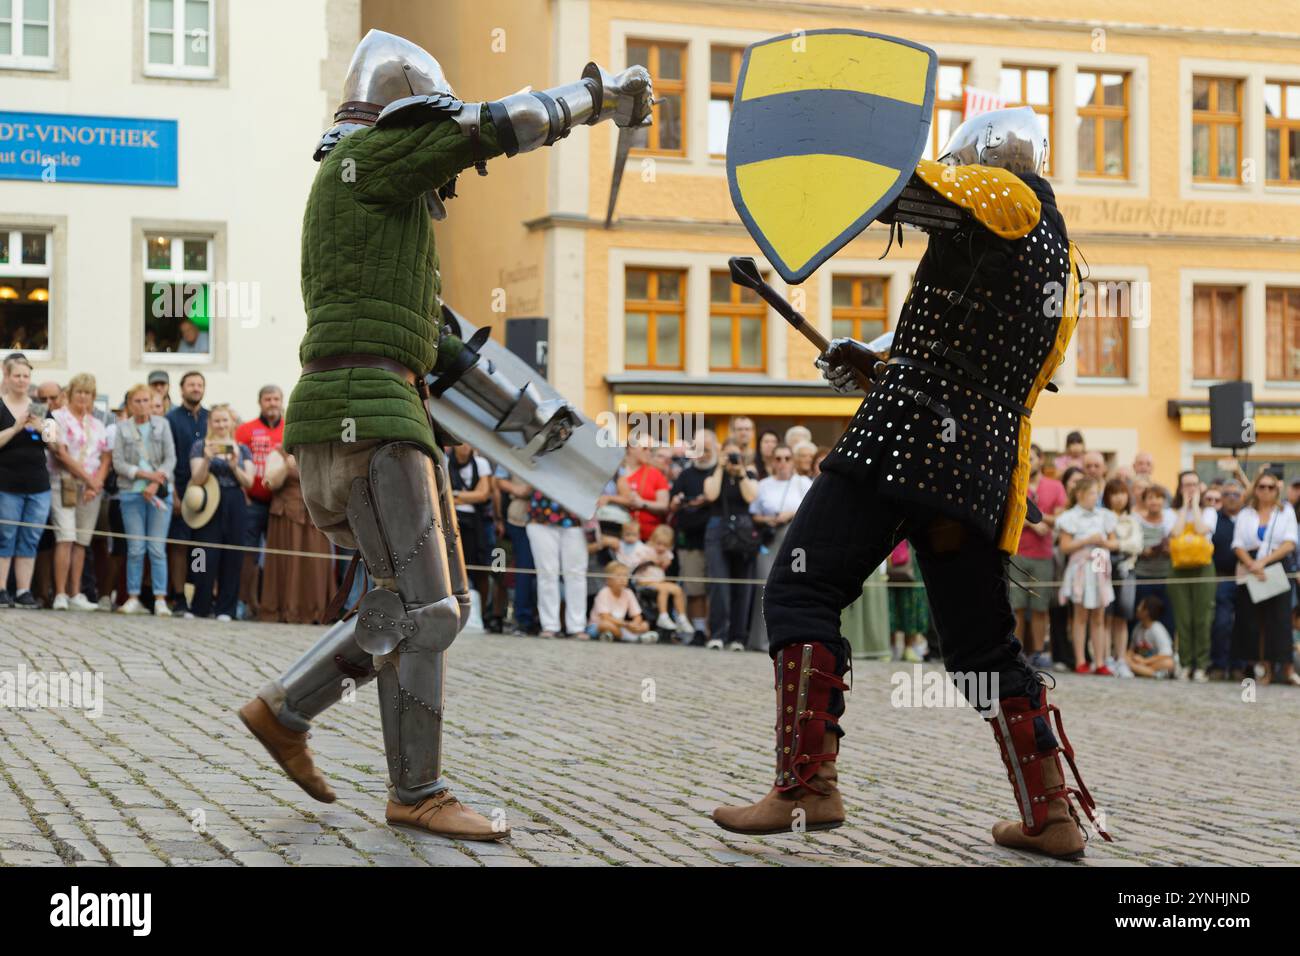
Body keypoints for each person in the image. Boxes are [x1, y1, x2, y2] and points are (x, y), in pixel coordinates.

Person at [714, 108, 1111, 859]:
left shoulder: (1016, 200)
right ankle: (1050, 816)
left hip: (909, 443)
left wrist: (834, 148)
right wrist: (880, 357)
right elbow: (972, 351)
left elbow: (899, 189)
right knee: (981, 650)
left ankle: (806, 788)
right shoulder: (1050, 252)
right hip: (969, 468)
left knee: (802, 588)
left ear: (985, 164)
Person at [111, 384, 176, 617]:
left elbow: (171, 459)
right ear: (129, 404)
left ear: (152, 402)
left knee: (157, 548)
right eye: (136, 401)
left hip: (158, 494)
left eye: (145, 400)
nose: (141, 405)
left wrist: (155, 483)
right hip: (131, 493)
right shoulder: (122, 429)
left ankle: (160, 598)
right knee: (136, 548)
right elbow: (118, 463)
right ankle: (133, 596)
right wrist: (145, 475)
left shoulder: (163, 425)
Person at [1231, 468, 1299, 685]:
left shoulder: (1285, 511)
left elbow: (1289, 542)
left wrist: (1263, 562)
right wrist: (1252, 563)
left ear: (1277, 489)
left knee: (1279, 620)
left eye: (1271, 487)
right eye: (1262, 486)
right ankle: (1260, 668)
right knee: (1252, 620)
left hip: (1276, 565)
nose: (1266, 491)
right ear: (1256, 489)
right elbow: (1238, 544)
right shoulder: (1245, 513)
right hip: (1250, 567)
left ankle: (1284, 669)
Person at [185, 404, 253, 621]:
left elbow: (249, 482)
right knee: (203, 554)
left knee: (233, 555)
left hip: (235, 501)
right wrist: (206, 458)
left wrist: (234, 466)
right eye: (217, 420)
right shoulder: (199, 446)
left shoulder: (242, 449)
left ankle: (226, 609)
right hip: (208, 501)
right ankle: (199, 606)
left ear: (231, 422)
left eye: (225, 420)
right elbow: (196, 478)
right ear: (210, 423)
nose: (221, 425)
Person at [49, 373, 109, 612]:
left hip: (91, 490)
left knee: (82, 541)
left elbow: (106, 458)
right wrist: (89, 479)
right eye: (79, 392)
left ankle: (76, 592)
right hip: (63, 483)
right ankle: (60, 593)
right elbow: (59, 453)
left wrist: (96, 484)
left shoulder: (98, 424)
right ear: (70, 394)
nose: (83, 397)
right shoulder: (55, 418)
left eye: (88, 393)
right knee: (65, 537)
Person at [259, 449, 335, 624]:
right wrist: (287, 465)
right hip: (288, 515)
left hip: (315, 515)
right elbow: (270, 484)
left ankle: (316, 611)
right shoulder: (279, 453)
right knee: (289, 563)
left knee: (315, 565)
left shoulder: (320, 452)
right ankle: (285, 610)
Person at [748, 443, 812, 651]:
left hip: (796, 539)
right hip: (771, 539)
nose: (783, 463)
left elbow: (810, 507)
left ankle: (793, 637)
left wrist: (790, 515)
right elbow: (754, 513)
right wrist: (769, 519)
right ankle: (762, 639)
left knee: (795, 585)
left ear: (793, 461)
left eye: (787, 458)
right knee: (764, 587)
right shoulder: (764, 484)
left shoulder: (802, 483)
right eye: (778, 458)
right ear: (772, 461)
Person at [0, 354, 52, 608]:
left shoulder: (40, 408)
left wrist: (41, 428)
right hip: (7, 483)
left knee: (30, 537)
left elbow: (55, 441)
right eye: (17, 375)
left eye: (25, 376)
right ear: (7, 378)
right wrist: (16, 427)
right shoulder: (0, 406)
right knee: (5, 535)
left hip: (38, 484)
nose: (21, 380)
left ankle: (23, 591)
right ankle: (1, 590)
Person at [1009, 444, 1065, 670]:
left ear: (1041, 460)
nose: (1029, 462)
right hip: (1018, 552)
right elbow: (1010, 512)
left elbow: (1060, 519)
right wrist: (1034, 523)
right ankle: (1018, 652)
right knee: (1018, 607)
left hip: (1043, 555)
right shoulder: (1016, 482)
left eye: (1032, 458)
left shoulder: (1055, 486)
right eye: (1026, 458)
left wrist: (1041, 519)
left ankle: (1039, 653)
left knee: (1041, 607)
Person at [1056, 477, 1118, 674]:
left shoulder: (1104, 516)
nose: (1095, 497)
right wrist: (1087, 541)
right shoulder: (1070, 517)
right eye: (1092, 493)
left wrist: (1104, 543)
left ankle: (1100, 661)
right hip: (1081, 566)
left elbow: (1114, 543)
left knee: (1099, 614)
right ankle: (1080, 660)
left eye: (1096, 493)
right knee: (1080, 614)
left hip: (1100, 564)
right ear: (1080, 494)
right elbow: (1065, 546)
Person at [235, 384, 285, 620]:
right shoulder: (245, 430)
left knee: (276, 556)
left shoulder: (289, 430)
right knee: (248, 554)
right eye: (268, 399)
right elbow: (236, 463)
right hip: (252, 501)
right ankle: (244, 602)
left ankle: (271, 605)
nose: (272, 403)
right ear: (260, 402)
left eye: (276, 399)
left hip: (281, 504)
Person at [703, 439, 758, 651]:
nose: (732, 459)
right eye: (728, 454)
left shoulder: (749, 475)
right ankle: (718, 634)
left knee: (743, 585)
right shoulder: (714, 475)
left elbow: (751, 496)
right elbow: (711, 494)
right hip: (718, 529)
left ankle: (738, 636)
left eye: (735, 455)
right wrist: (720, 467)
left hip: (742, 531)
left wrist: (741, 472)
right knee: (719, 582)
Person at [165, 371, 208, 613]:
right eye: (191, 384)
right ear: (181, 389)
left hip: (206, 493)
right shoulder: (171, 419)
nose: (195, 388)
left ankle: (200, 593)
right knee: (179, 546)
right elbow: (167, 458)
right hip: (180, 489)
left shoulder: (211, 418)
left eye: (199, 384)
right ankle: (179, 595)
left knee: (200, 547)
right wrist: (173, 493)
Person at [668, 428, 716, 641]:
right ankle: (698, 630)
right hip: (690, 540)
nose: (703, 454)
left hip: (716, 541)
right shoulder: (686, 474)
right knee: (695, 588)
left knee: (715, 590)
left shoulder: (719, 473)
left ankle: (713, 630)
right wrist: (679, 502)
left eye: (706, 449)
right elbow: (672, 503)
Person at [1168, 470, 1216, 682]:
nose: (1190, 488)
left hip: (1203, 567)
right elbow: (1176, 532)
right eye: (1186, 485)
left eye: (1194, 484)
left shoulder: (1209, 512)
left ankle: (1202, 664)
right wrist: (1184, 508)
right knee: (1183, 617)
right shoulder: (1171, 512)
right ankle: (1186, 663)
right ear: (1179, 488)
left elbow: (1201, 528)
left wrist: (1195, 505)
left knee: (1202, 617)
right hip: (1179, 568)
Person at [526, 491, 589, 639]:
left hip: (576, 515)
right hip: (541, 514)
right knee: (546, 573)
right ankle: (549, 625)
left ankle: (577, 626)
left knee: (576, 574)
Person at [448, 443, 492, 621]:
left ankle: (482, 615)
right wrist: (468, 496)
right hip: (452, 518)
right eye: (461, 441)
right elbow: (442, 492)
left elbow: (483, 494)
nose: (465, 446)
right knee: (454, 564)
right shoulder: (444, 461)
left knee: (481, 565)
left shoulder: (481, 463)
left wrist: (456, 494)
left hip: (477, 522)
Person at [1104, 478, 1142, 677]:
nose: (1118, 498)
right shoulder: (1102, 517)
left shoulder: (1132, 520)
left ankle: (1120, 659)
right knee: (1105, 617)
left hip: (1127, 571)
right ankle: (1104, 659)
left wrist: (1116, 544)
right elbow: (1101, 542)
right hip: (1104, 571)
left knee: (1122, 617)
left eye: (1122, 493)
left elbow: (1137, 545)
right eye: (1114, 493)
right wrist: (1122, 544)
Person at [495, 471, 538, 635]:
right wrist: (517, 489)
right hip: (517, 520)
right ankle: (520, 618)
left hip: (541, 519)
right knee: (519, 570)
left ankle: (531, 618)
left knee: (532, 572)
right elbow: (498, 481)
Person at [1209, 478, 1244, 679]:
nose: (1232, 498)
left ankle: (1239, 666)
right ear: (1221, 498)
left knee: (1242, 623)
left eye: (1236, 494)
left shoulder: (1248, 517)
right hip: (1221, 578)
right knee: (1221, 623)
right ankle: (1219, 665)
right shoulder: (1214, 518)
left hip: (1246, 578)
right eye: (1227, 494)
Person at [1133, 484, 1176, 640]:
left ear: (1164, 501)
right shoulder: (1136, 521)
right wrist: (1143, 551)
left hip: (1165, 576)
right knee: (1141, 614)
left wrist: (1170, 550)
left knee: (1168, 616)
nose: (1154, 501)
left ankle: (1168, 651)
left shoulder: (1171, 521)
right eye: (1150, 497)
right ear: (1144, 501)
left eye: (1158, 497)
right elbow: (1133, 546)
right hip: (1142, 576)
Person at [586, 561, 651, 642]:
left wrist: (634, 624)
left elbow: (637, 615)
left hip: (620, 626)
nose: (623, 579)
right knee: (606, 625)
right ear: (608, 579)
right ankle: (633, 638)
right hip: (598, 625)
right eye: (618, 576)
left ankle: (617, 636)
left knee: (645, 625)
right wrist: (626, 624)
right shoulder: (604, 592)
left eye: (625, 576)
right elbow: (605, 617)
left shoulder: (628, 592)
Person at [625, 438, 669, 541]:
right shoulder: (617, 470)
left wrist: (643, 503)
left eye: (650, 450)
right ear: (631, 447)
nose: (648, 453)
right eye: (645, 449)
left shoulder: (655, 474)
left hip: (648, 536)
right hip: (618, 532)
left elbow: (664, 505)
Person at [1125, 595, 1176, 678]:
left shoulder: (1157, 629)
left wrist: (1145, 661)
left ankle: (1141, 671)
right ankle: (1151, 673)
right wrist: (1129, 656)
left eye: (1140, 607)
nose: (1137, 609)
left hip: (1152, 662)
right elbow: (1132, 649)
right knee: (1123, 657)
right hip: (1141, 662)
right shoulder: (1138, 627)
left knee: (1169, 663)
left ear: (1147, 612)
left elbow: (1167, 654)